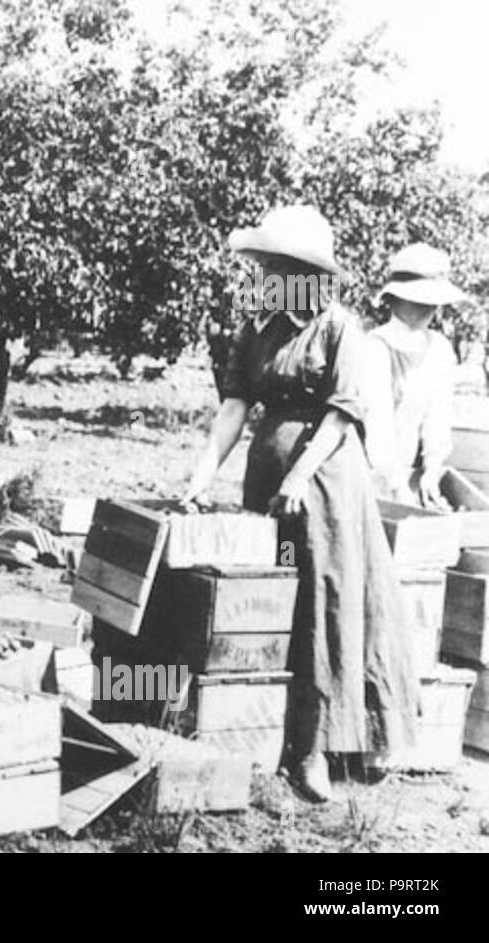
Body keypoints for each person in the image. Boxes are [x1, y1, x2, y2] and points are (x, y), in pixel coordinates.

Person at [182, 205, 417, 802]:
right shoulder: (256, 330)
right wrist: (200, 477)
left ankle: (315, 749)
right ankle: (265, 732)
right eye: (264, 267)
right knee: (269, 600)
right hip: (267, 481)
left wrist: (299, 477)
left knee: (320, 604)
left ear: (306, 274)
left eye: (276, 267)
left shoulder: (340, 328)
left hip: (328, 483)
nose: (263, 277)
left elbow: (341, 415)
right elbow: (234, 409)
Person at [363, 243, 467, 507]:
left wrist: (432, 471)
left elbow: (438, 417)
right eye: (419, 300)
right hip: (368, 475)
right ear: (394, 299)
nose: (429, 309)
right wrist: (398, 488)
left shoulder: (439, 349)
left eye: (434, 302)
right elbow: (377, 426)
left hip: (410, 474)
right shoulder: (375, 347)